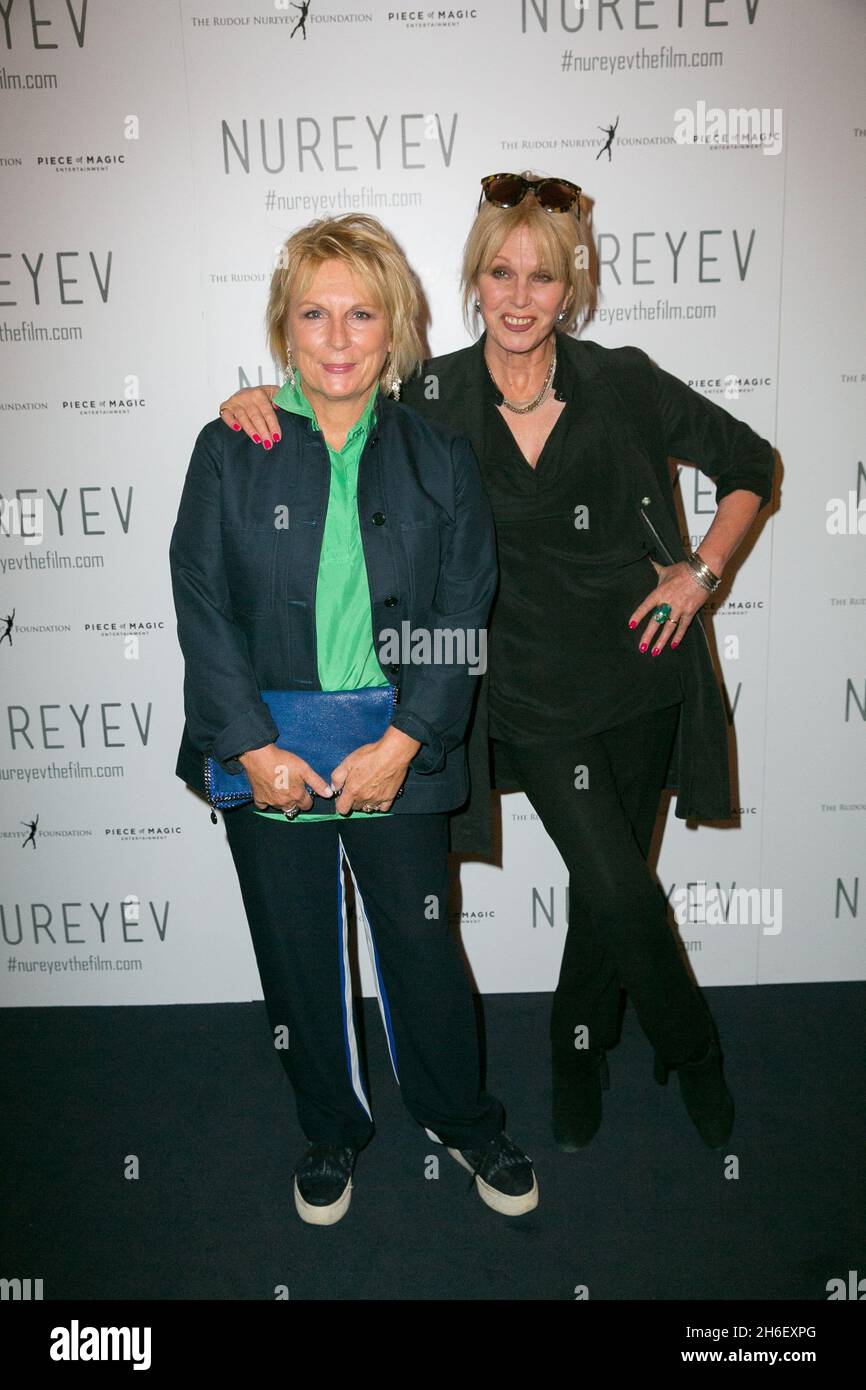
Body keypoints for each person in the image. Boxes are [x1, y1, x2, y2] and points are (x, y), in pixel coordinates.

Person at [215, 173, 776, 1154]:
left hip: (639, 672)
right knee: (614, 878)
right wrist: (263, 397)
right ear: (473, 279)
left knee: (614, 885)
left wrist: (698, 573)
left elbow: (748, 464)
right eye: (499, 273)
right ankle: (692, 1048)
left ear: (572, 288)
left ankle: (576, 1042)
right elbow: (338, 410)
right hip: (511, 689)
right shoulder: (431, 395)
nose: (519, 298)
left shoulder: (623, 380)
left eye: (542, 279)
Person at [169, 213, 538, 1225]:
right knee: (296, 953)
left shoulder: (438, 457)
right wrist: (248, 744)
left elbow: (465, 612)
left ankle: (461, 1117)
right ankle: (328, 1127)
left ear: (395, 329)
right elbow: (199, 602)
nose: (337, 337)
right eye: (314, 313)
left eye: (360, 313)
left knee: (421, 951)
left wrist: (407, 741)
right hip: (266, 751)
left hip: (400, 749)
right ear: (284, 329)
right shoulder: (228, 447)